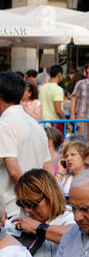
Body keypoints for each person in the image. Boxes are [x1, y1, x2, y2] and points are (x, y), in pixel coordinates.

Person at [0, 71, 56, 219]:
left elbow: (14, 171)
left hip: (12, 209)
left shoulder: (4, 124)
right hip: (33, 209)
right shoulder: (34, 123)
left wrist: (31, 199)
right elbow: (48, 167)